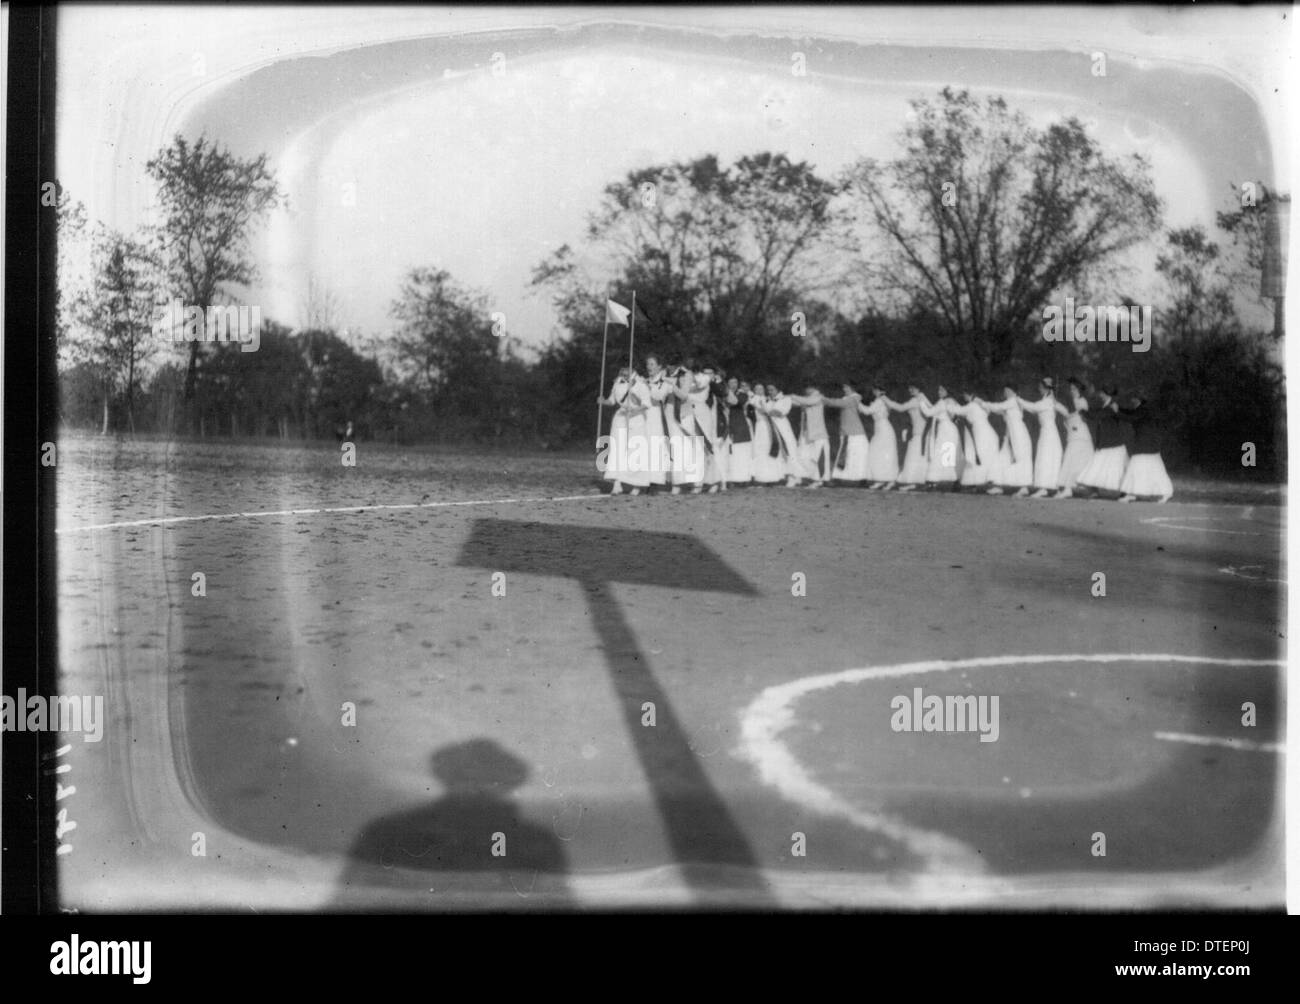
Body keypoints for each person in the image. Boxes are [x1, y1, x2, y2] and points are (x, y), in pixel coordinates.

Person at [597, 367, 650, 495]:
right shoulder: (618, 381)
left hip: (636, 418)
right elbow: (612, 400)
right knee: (617, 449)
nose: (623, 371)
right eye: (622, 369)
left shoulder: (641, 383)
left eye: (627, 369)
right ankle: (617, 483)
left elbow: (646, 404)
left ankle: (637, 485)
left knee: (634, 450)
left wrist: (635, 409)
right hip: (620, 417)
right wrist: (603, 401)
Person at [1074, 387, 1132, 499]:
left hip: (1113, 444)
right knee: (1097, 466)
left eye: (1101, 393)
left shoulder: (1111, 406)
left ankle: (1125, 492)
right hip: (1107, 443)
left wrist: (1082, 411)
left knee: (1116, 469)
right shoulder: (1106, 405)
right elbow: (1096, 412)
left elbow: (1096, 416)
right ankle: (1095, 490)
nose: (1100, 395)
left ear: (1106, 394)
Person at [978, 385, 1033, 496]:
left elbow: (998, 407)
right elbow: (999, 410)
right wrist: (984, 405)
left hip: (1019, 434)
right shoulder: (1009, 403)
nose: (1005, 392)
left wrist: (983, 403)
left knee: (1021, 458)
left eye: (1008, 390)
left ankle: (1024, 487)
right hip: (1010, 435)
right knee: (1003, 457)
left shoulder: (1012, 401)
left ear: (1013, 391)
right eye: (1005, 390)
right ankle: (998, 485)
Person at [1118, 395, 1174, 503]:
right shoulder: (1140, 409)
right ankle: (1133, 493)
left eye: (1133, 398)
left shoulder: (1143, 410)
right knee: (1148, 468)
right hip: (1146, 443)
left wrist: (1116, 412)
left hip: (1146, 443)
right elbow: (1129, 412)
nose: (1131, 400)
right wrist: (1118, 409)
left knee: (1140, 466)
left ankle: (1164, 492)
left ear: (1138, 399)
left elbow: (1131, 418)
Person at [1018, 377, 1062, 499]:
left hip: (1049, 433)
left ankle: (1045, 488)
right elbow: (1034, 408)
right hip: (1046, 432)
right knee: (1045, 458)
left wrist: (1018, 400)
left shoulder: (1048, 401)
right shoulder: (1046, 400)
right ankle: (1046, 487)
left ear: (1047, 388)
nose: (1040, 389)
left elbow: (1034, 407)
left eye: (1042, 387)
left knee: (1046, 458)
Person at [951, 391, 1001, 490]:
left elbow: (959, 411)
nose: (964, 397)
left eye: (965, 394)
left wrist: (948, 405)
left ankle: (976, 482)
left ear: (969, 394)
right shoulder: (979, 404)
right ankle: (986, 482)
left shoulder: (971, 405)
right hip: (988, 431)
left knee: (979, 455)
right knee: (986, 456)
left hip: (981, 432)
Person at [1054, 377, 1095, 499]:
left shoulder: (1082, 401)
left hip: (1081, 436)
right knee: (1070, 461)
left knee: (1076, 461)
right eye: (1070, 389)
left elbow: (1072, 413)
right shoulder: (1072, 401)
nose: (1071, 391)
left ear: (1079, 390)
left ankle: (1070, 489)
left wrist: (1057, 405)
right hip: (1073, 436)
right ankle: (1068, 488)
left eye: (1074, 389)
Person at [823, 383, 870, 484]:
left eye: (845, 387)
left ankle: (859, 478)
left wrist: (823, 399)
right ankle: (843, 478)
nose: (843, 389)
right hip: (850, 431)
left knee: (853, 455)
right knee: (852, 455)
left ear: (851, 387)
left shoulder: (853, 398)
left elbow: (838, 403)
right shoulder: (849, 398)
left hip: (853, 432)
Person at [762, 383, 806, 487]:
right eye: (768, 390)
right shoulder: (767, 399)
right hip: (770, 426)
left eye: (772, 390)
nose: (770, 392)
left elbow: (779, 413)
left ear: (778, 390)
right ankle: (780, 475)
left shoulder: (785, 399)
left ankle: (794, 476)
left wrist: (765, 410)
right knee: (776, 451)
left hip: (782, 426)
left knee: (789, 449)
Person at [919, 384, 963, 488]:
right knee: (948, 455)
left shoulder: (942, 402)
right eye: (939, 390)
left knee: (940, 454)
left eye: (941, 390)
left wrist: (921, 401)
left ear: (947, 391)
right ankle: (953, 480)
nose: (939, 392)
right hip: (951, 429)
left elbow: (928, 413)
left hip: (945, 429)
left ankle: (932, 480)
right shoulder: (953, 401)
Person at [889, 385, 931, 492]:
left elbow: (900, 408)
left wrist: (885, 399)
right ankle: (916, 482)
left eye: (913, 388)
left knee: (914, 457)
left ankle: (915, 482)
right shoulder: (921, 398)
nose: (910, 390)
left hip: (920, 433)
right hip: (918, 432)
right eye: (909, 388)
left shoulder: (917, 400)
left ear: (919, 388)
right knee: (915, 458)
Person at [788, 386, 830, 488]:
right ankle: (802, 477)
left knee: (816, 458)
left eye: (809, 388)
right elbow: (795, 403)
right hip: (807, 433)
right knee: (802, 456)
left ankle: (820, 480)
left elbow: (807, 401)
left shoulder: (819, 397)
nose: (806, 390)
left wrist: (792, 395)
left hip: (818, 434)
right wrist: (784, 398)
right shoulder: (806, 399)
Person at [860, 387, 900, 489]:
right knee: (878, 454)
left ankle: (890, 480)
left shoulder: (880, 400)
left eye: (877, 390)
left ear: (883, 391)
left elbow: (867, 411)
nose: (875, 392)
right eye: (874, 390)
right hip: (880, 429)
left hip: (884, 429)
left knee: (884, 455)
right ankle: (880, 479)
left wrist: (856, 402)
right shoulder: (881, 400)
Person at [749, 384, 783, 485]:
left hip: (770, 426)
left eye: (761, 389)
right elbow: (762, 410)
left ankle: (772, 477)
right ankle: (761, 477)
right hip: (761, 427)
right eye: (757, 389)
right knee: (761, 450)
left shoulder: (768, 399)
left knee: (770, 448)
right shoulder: (754, 399)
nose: (759, 390)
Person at [724, 377, 754, 486]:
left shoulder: (742, 394)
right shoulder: (723, 393)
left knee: (742, 453)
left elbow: (737, 402)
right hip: (727, 424)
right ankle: (731, 479)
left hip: (739, 425)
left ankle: (744, 479)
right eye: (731, 382)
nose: (734, 384)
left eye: (735, 382)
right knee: (730, 453)